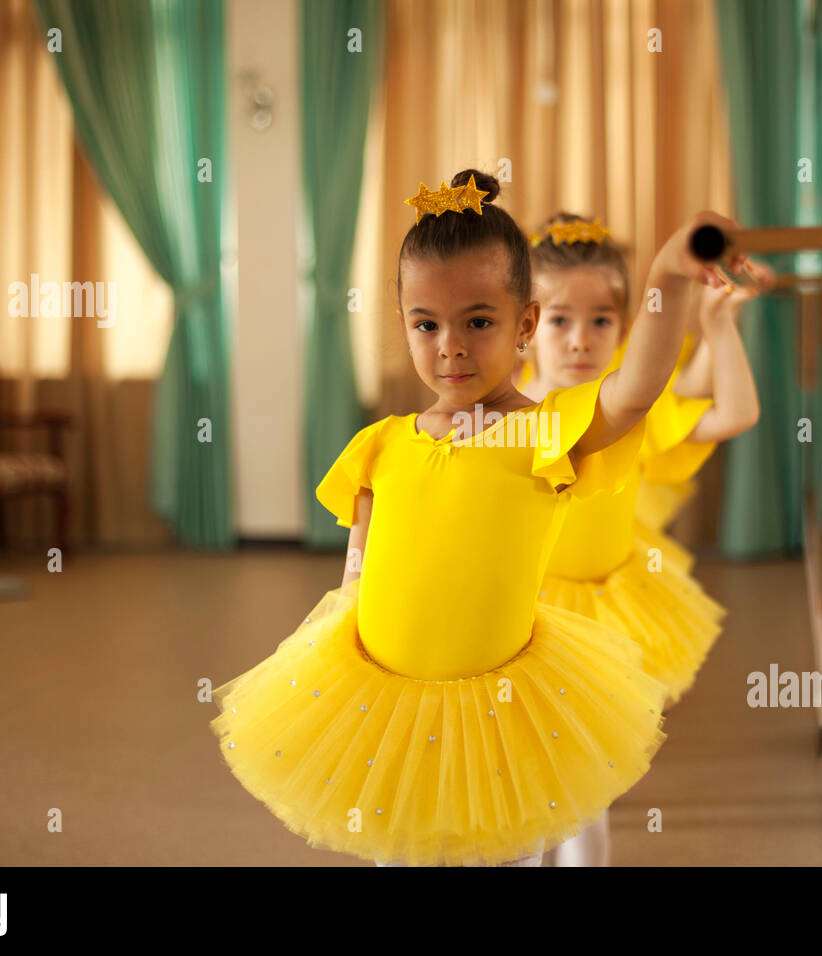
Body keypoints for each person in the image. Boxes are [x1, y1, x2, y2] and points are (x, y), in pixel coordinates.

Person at [210, 171, 742, 866]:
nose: (450, 346)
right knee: (397, 845)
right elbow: (355, 578)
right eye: (426, 324)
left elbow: (636, 393)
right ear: (403, 323)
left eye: (479, 322)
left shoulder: (543, 435)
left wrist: (670, 274)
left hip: (499, 714)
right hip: (384, 705)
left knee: (508, 847)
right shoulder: (381, 445)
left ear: (524, 324)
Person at [518, 212, 766, 865]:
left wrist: (717, 327)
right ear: (527, 325)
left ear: (625, 329)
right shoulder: (507, 412)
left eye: (601, 321)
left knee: (584, 783)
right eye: (559, 320)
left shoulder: (625, 410)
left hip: (603, 617)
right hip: (521, 616)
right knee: (520, 778)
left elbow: (736, 412)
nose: (579, 341)